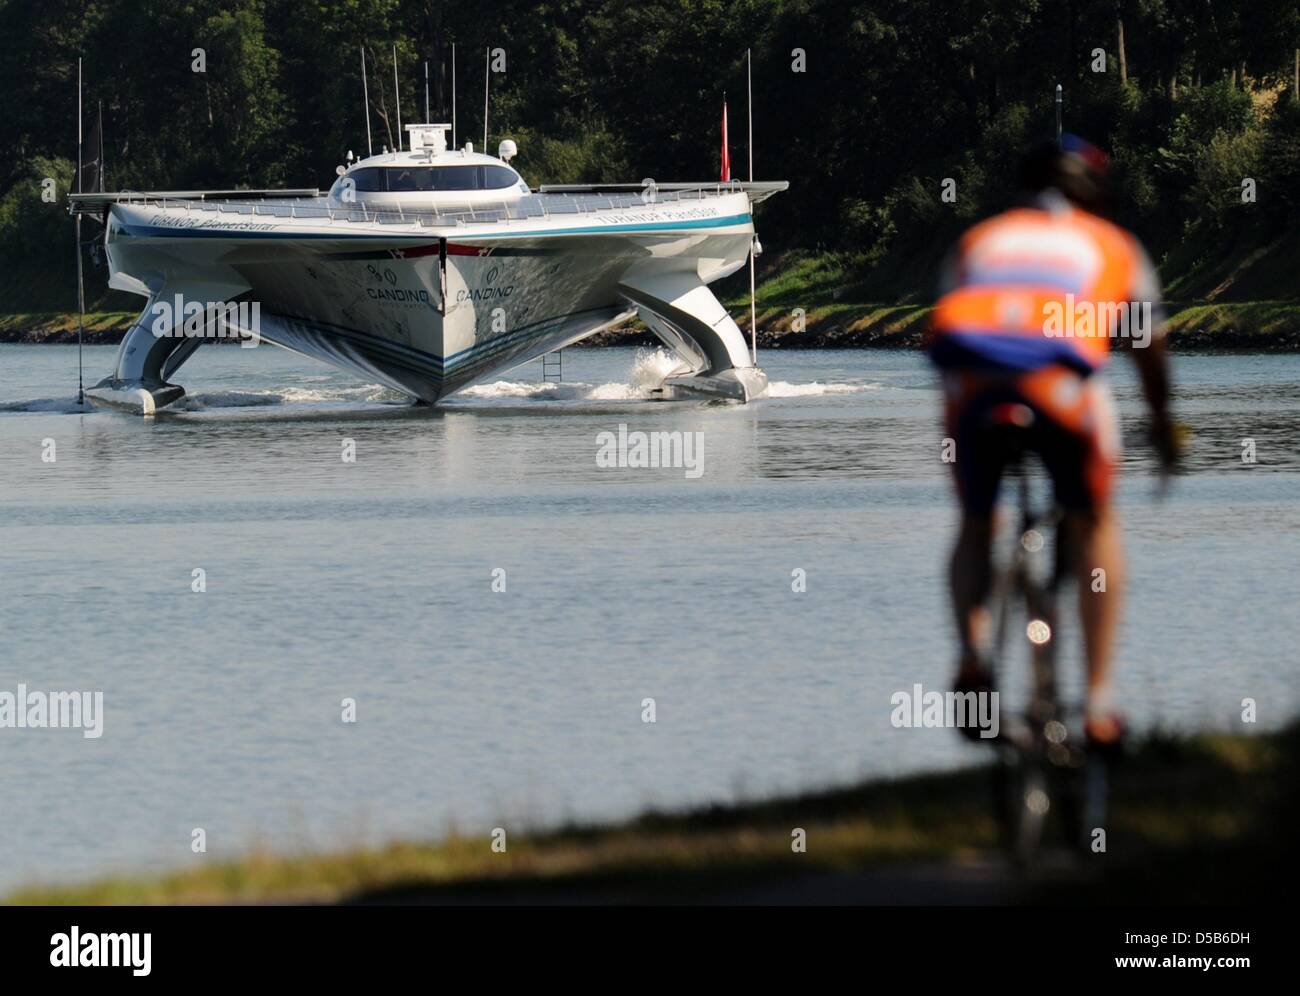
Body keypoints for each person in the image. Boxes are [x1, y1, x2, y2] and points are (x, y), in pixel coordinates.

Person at [927, 134, 1179, 747]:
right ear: (1095, 193)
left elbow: (948, 318)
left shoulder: (980, 239)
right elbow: (1148, 347)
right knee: (1095, 520)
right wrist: (1165, 425)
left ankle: (972, 658)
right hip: (1058, 385)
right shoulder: (1112, 244)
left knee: (975, 521)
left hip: (973, 386)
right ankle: (1096, 707)